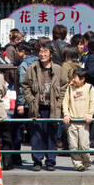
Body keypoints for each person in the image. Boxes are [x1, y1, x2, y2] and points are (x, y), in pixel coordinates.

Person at [22, 41, 66, 171]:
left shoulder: (58, 69)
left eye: (45, 52)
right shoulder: (33, 68)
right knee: (37, 134)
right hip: (37, 106)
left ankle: (51, 161)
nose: (42, 54)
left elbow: (64, 85)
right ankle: (37, 160)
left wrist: (59, 101)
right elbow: (25, 85)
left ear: (51, 54)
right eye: (40, 52)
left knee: (51, 134)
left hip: (52, 106)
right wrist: (30, 100)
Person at [62, 65, 94, 171]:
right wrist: (66, 114)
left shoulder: (89, 88)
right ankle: (77, 163)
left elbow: (93, 102)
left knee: (84, 145)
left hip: (83, 121)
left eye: (75, 78)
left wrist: (90, 114)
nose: (73, 80)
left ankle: (86, 161)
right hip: (72, 121)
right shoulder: (70, 88)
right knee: (73, 145)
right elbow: (65, 102)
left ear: (82, 79)